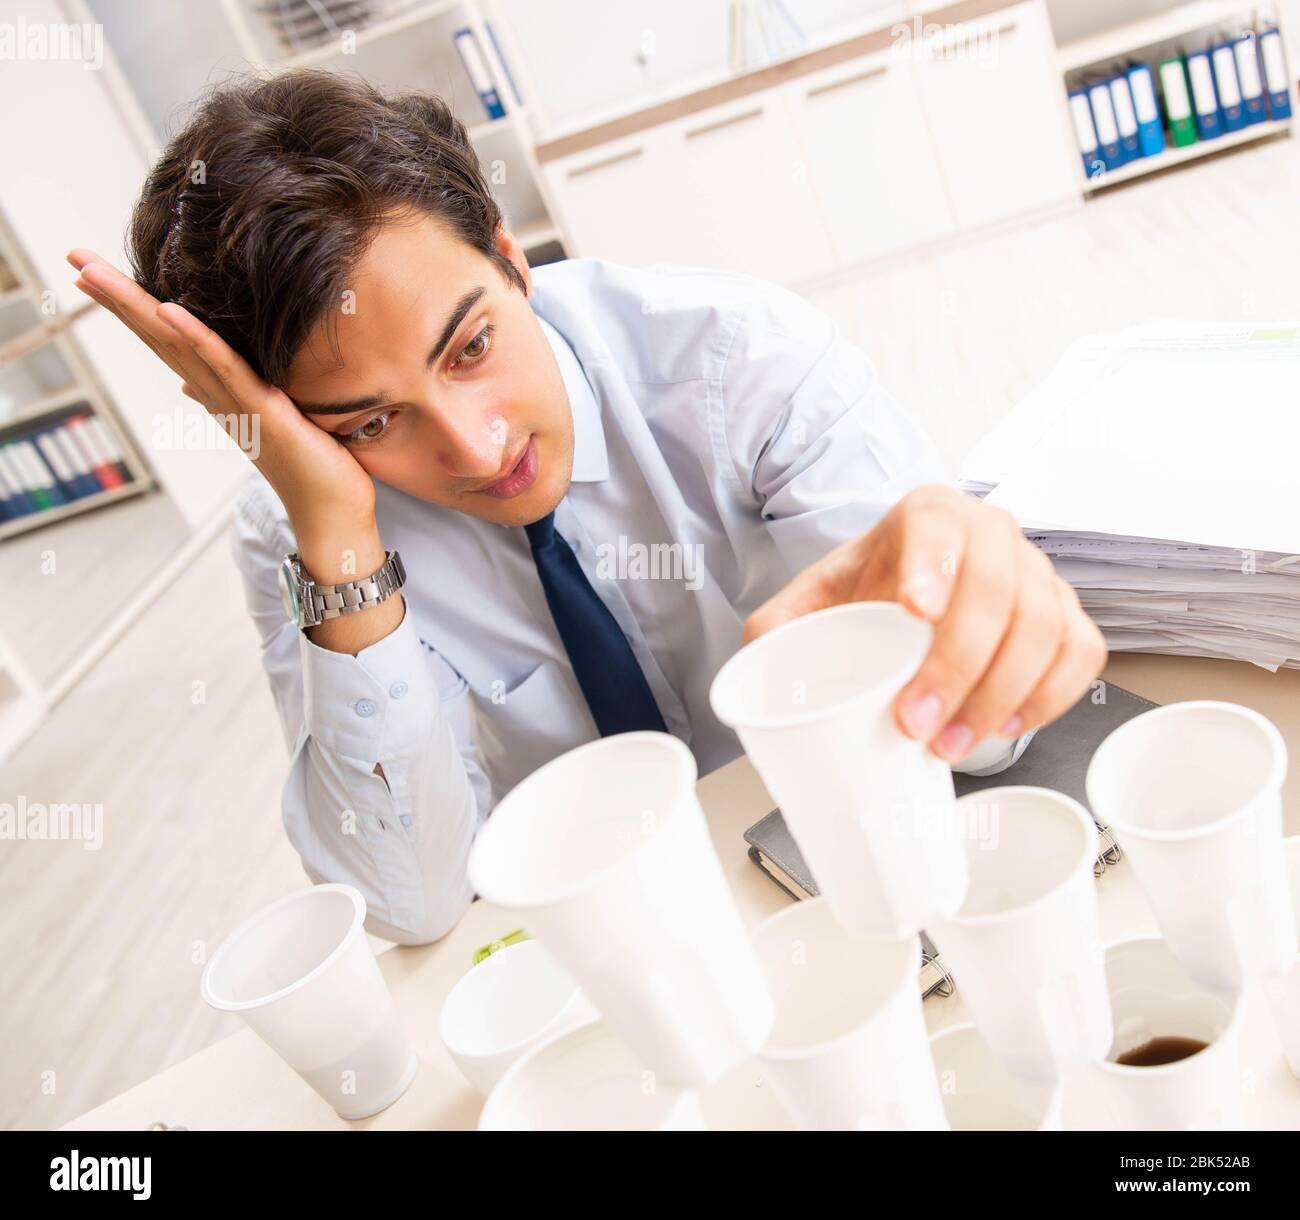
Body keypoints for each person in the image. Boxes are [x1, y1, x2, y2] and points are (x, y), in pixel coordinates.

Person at [68, 71, 1106, 943]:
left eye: (471, 345)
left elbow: (977, 736)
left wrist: (960, 615)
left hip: (861, 880)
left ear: (512, 258)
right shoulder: (303, 529)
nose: (478, 446)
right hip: (626, 939)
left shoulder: (737, 360)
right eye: (370, 421)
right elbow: (412, 901)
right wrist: (339, 543)